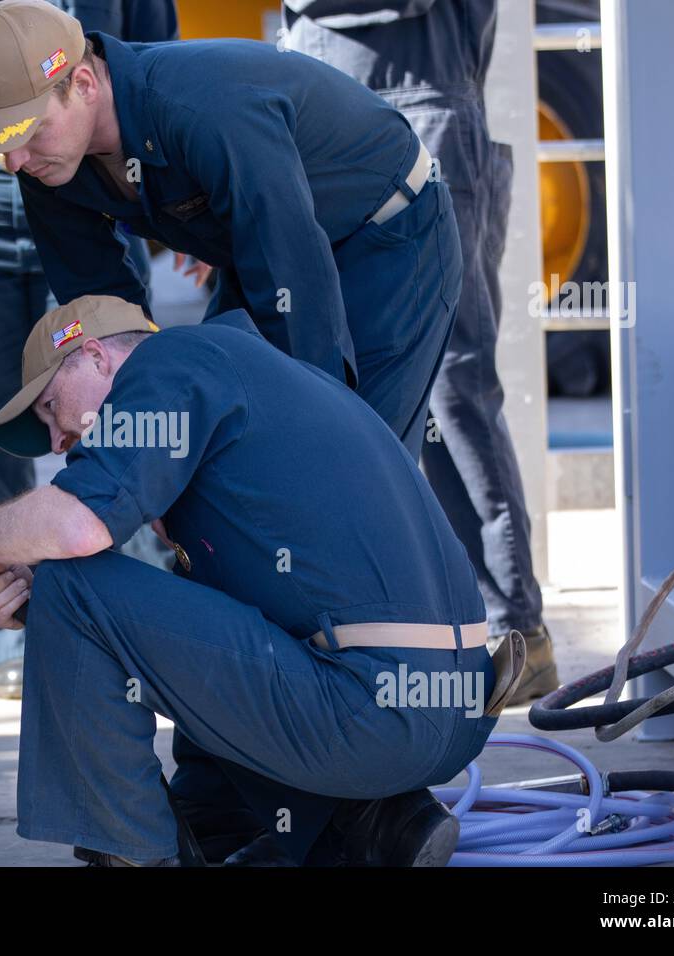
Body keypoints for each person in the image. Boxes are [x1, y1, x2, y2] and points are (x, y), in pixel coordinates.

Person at [0, 294, 499, 866]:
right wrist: (41, 603)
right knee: (86, 593)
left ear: (96, 356)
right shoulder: (258, 377)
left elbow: (78, 529)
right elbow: (199, 633)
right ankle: (358, 823)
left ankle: (137, 852)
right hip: (446, 706)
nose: (57, 442)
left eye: (52, 408)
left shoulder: (172, 361)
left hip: (374, 712)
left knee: (73, 584)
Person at [0, 0, 461, 459]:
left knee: (349, 461)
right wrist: (132, 447)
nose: (13, 160)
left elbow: (295, 285)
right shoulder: (43, 163)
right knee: (223, 448)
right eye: (0, 139)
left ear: (82, 84)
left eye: (29, 130)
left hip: (386, 238)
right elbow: (107, 318)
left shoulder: (203, 107)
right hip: (264, 254)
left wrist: (313, 435)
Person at [281, 0, 556, 702]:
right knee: (325, 385)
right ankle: (374, 628)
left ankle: (512, 632)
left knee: (452, 387)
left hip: (420, 115)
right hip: (318, 119)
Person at [0, 0, 178, 700]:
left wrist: (176, 201)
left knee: (123, 396)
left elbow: (149, 51)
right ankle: (6, 630)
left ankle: (152, 612)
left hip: (90, 185)